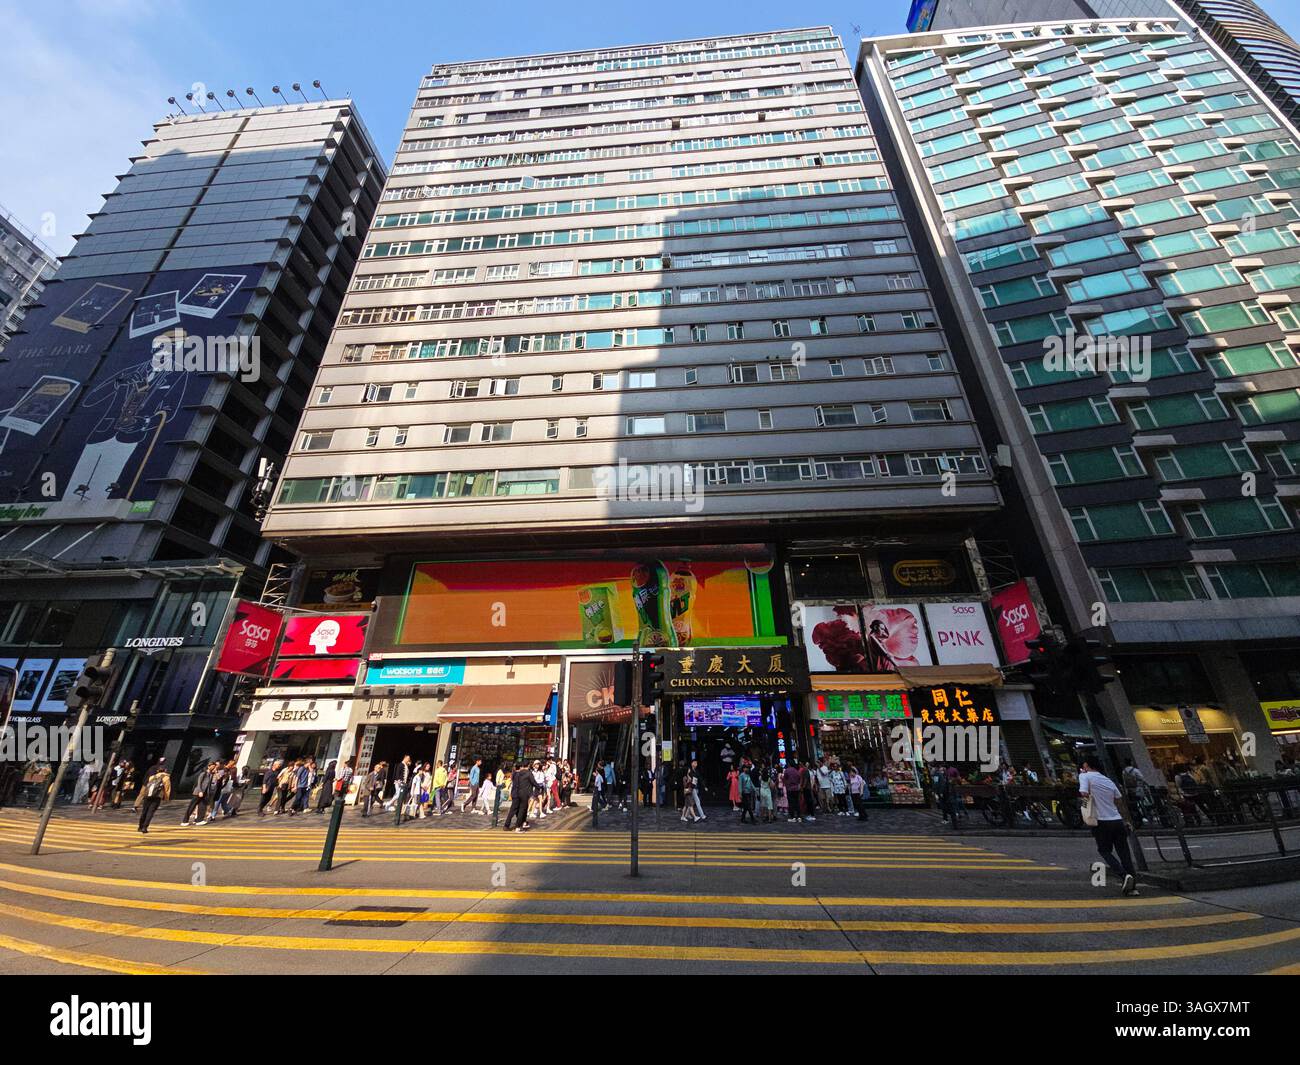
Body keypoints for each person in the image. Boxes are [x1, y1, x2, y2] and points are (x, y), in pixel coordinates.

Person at [1079, 756, 1139, 896]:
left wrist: (1084, 808)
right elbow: (1119, 802)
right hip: (1117, 820)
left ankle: (1123, 875)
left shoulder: (1085, 777)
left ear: (1087, 765)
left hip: (1101, 821)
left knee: (1104, 850)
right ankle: (1133, 887)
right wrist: (1126, 820)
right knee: (1124, 853)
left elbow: (1084, 794)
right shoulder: (1108, 780)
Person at [137, 761, 171, 834]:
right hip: (157, 797)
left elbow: (148, 786)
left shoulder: (152, 777)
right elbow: (167, 789)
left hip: (148, 795)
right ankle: (145, 827)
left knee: (144, 811)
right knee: (150, 812)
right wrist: (166, 798)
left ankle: (140, 826)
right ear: (165, 770)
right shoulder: (166, 778)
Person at [181, 761, 215, 826]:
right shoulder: (203, 773)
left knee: (202, 806)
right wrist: (200, 791)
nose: (213, 768)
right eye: (212, 766)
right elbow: (199, 783)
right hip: (198, 792)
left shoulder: (210, 775)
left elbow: (209, 785)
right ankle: (185, 821)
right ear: (209, 766)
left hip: (205, 793)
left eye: (214, 767)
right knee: (192, 806)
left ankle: (199, 820)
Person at [504, 761, 534, 831]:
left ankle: (522, 822)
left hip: (515, 793)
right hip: (518, 794)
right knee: (514, 810)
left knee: (519, 810)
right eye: (522, 767)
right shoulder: (519, 775)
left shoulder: (514, 773)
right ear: (520, 767)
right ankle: (507, 825)